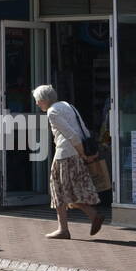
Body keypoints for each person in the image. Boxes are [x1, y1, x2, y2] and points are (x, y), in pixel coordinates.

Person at [34, 85, 104, 239]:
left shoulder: (52, 112)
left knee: (58, 189)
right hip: (76, 153)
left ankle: (63, 229)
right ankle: (92, 216)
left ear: (45, 100)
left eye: (38, 101)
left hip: (65, 154)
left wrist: (84, 154)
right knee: (71, 190)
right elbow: (83, 129)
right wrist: (88, 151)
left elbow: (71, 134)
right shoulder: (67, 105)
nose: (37, 104)